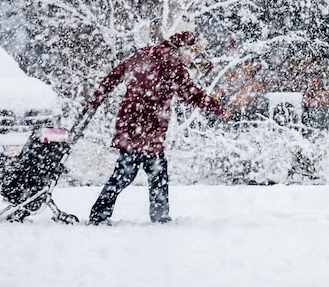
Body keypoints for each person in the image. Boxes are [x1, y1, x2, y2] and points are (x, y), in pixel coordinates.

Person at [86, 30, 227, 225]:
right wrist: (219, 108)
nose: (190, 59)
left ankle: (102, 215)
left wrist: (95, 99)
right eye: (192, 54)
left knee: (133, 173)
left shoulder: (143, 54)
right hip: (149, 128)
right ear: (184, 49)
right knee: (149, 174)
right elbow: (193, 95)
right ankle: (157, 217)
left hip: (129, 125)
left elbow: (113, 76)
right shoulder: (173, 65)